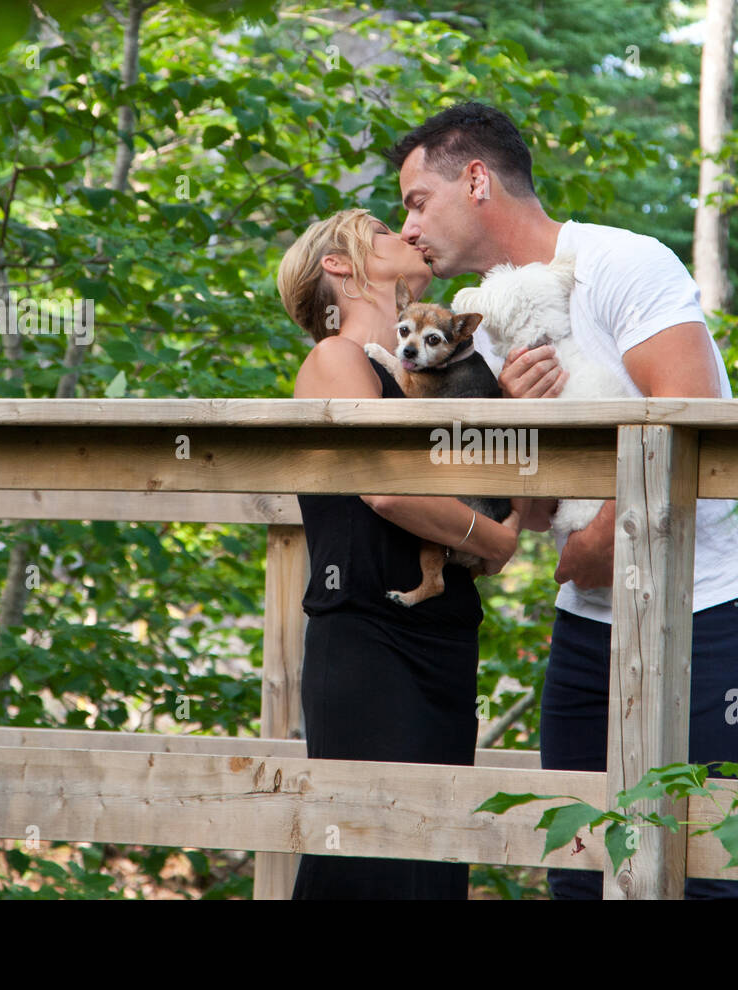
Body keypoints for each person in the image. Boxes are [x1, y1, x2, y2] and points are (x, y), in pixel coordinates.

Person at [383, 103, 738, 899]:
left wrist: (600, 541)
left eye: (416, 200)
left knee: (708, 873)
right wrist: (515, 422)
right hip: (588, 621)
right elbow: (526, 510)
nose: (409, 226)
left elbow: (695, 414)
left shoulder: (622, 262)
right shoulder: (484, 324)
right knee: (579, 868)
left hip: (704, 610)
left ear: (475, 179)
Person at [276, 207, 526, 898]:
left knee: (433, 866)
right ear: (339, 265)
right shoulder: (337, 359)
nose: (411, 234)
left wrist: (522, 409)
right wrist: (492, 539)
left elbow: (507, 491)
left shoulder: (448, 376)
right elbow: (386, 491)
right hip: (366, 639)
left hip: (442, 634)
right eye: (388, 231)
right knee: (367, 863)